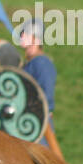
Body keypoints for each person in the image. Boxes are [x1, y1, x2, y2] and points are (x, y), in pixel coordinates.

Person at [19, 17, 56, 146]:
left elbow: (46, 98)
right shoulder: (27, 65)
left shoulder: (42, 63)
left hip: (39, 125)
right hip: (26, 123)